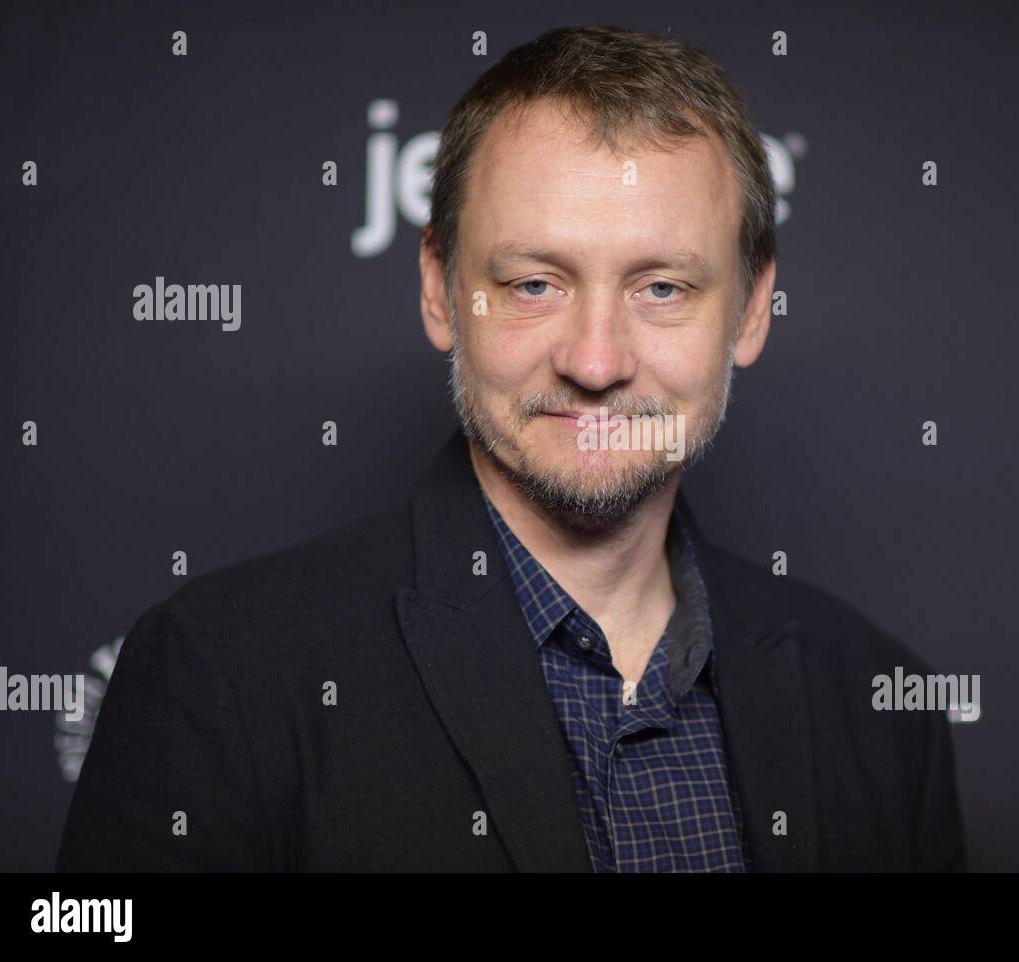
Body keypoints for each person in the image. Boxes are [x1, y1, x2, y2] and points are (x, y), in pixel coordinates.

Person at [57, 25, 966, 872]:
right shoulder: (222, 676)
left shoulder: (879, 702)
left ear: (754, 306)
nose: (596, 361)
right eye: (534, 283)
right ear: (441, 291)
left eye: (660, 287)